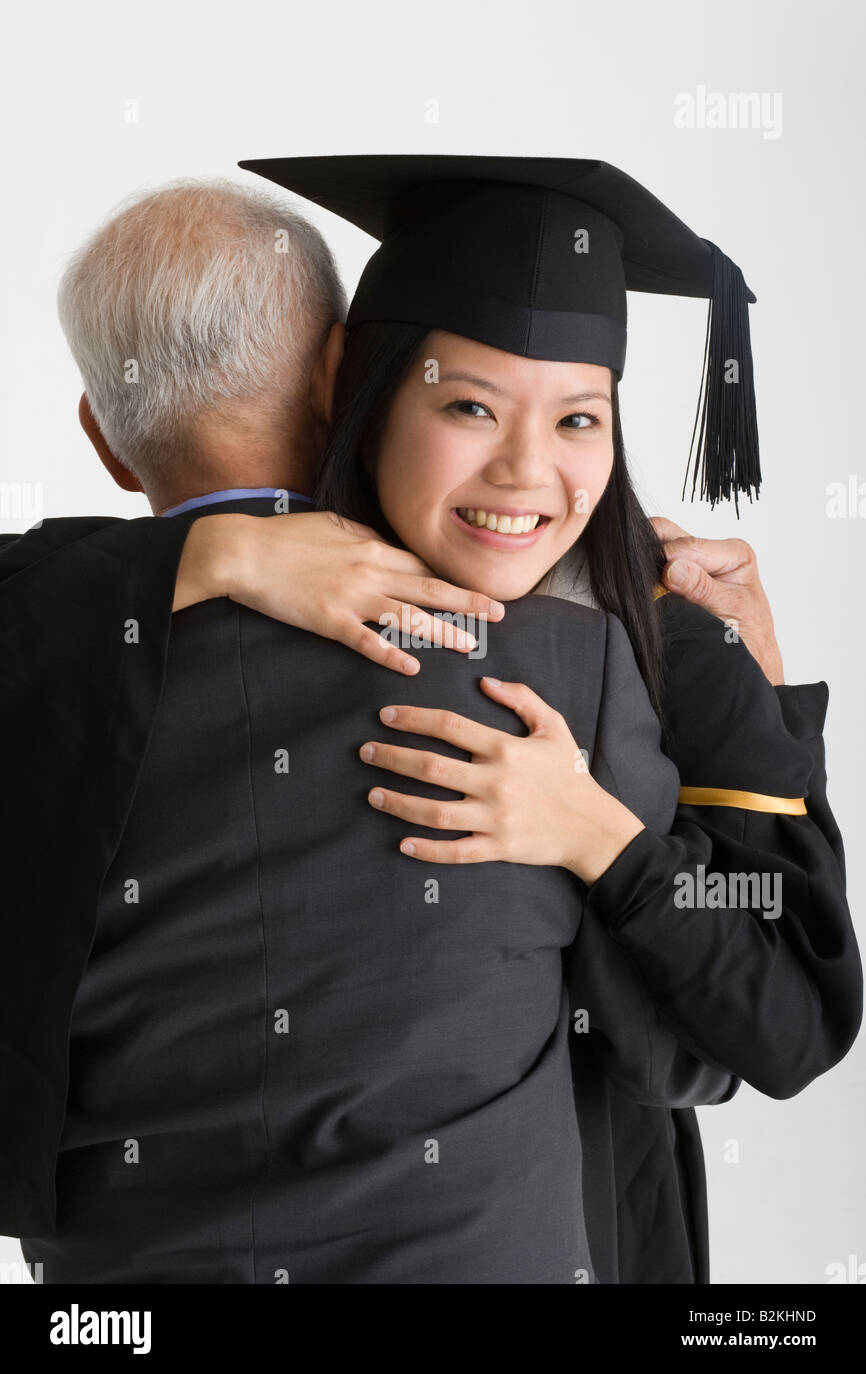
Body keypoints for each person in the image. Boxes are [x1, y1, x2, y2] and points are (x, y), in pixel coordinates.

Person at [0, 163, 859, 1282]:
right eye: (468, 405)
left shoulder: (63, 652)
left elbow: (767, 1011)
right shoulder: (580, 669)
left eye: (579, 416)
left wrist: (727, 724)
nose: (527, 471)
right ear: (347, 380)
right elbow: (701, 1046)